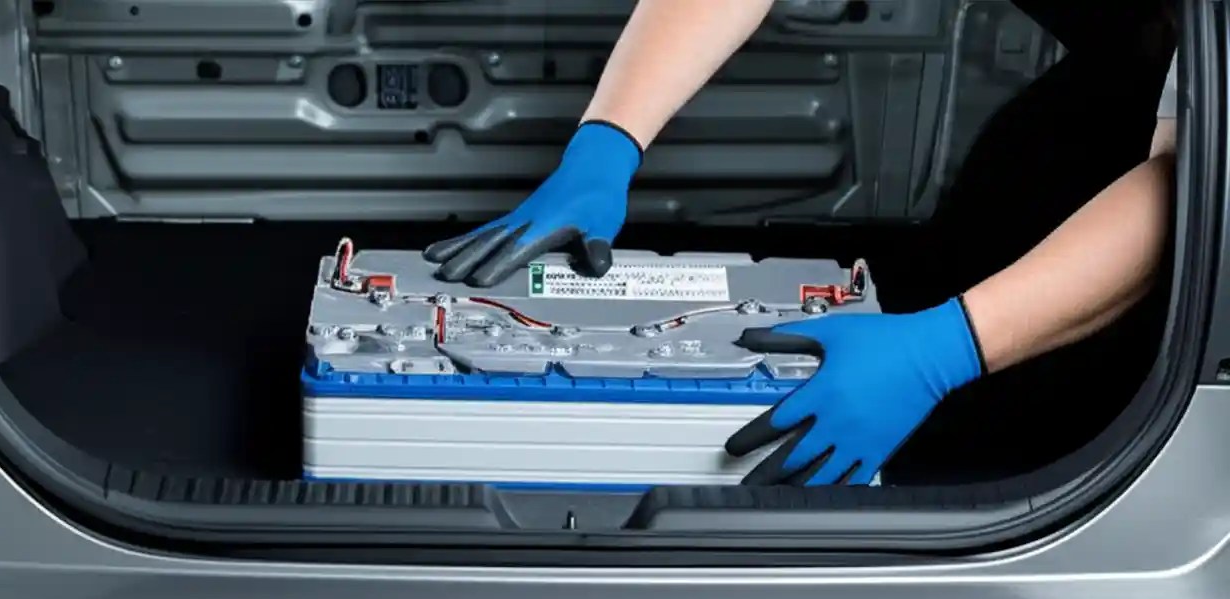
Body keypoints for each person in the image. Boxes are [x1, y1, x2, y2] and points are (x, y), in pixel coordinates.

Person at [424, 0, 1179, 487]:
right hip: (1109, 81)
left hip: (1181, 129)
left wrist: (947, 349)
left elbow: (1191, 179)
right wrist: (608, 144)